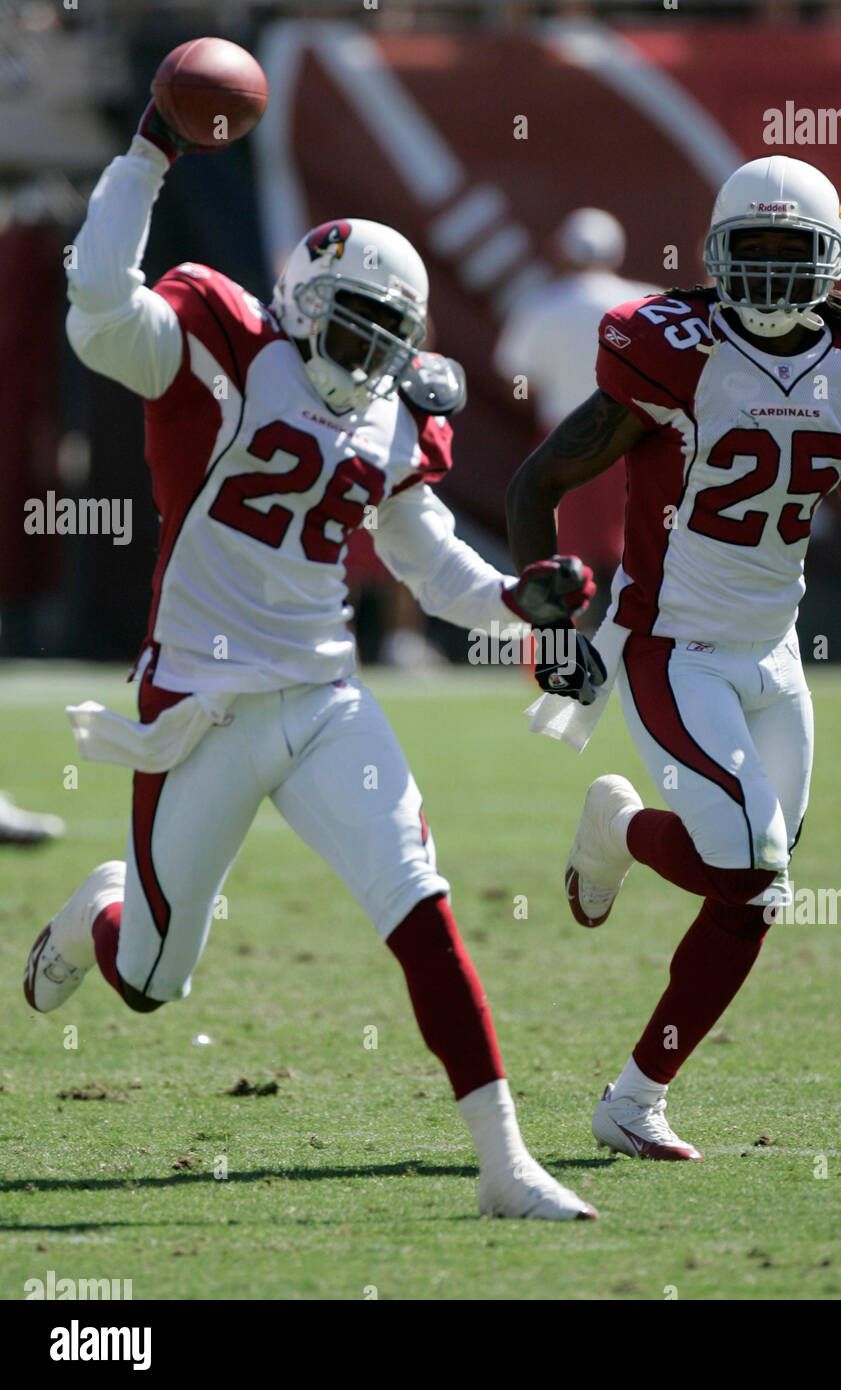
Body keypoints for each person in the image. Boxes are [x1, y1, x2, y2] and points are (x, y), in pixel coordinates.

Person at [23, 99, 600, 1222]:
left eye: (389, 342)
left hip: (329, 700)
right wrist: (147, 154)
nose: (367, 361)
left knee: (418, 900)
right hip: (202, 706)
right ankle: (107, 907)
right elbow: (96, 303)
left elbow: (428, 561)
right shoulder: (218, 350)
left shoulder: (393, 420)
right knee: (149, 981)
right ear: (300, 308)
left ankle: (504, 1162)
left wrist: (514, 601)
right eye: (351, 334)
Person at [506, 155, 841, 1161]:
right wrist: (552, 624)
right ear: (715, 256)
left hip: (770, 654)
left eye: (796, 254)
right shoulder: (669, 352)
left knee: (753, 885)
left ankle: (618, 833)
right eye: (757, 251)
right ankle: (631, 1101)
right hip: (670, 645)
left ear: (831, 261)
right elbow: (536, 482)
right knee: (750, 868)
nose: (777, 275)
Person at [494, 208, 658, 597]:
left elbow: (514, 379)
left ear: (564, 252)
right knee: (636, 551)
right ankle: (634, 646)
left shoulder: (539, 303)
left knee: (559, 553)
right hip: (633, 440)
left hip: (562, 439)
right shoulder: (647, 302)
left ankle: (559, 646)